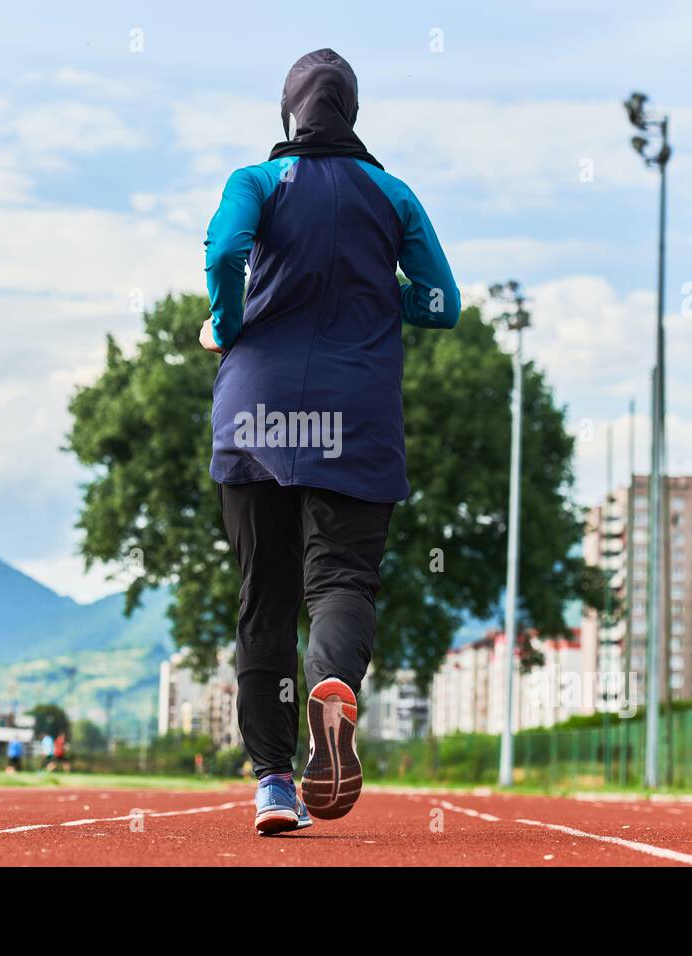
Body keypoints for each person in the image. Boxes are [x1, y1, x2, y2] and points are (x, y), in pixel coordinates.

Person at [200, 49, 459, 835]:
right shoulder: (393, 192)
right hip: (355, 415)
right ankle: (334, 687)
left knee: (264, 602)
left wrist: (229, 320)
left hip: (258, 416)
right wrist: (387, 290)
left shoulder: (255, 181)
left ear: (290, 114)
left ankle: (274, 783)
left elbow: (224, 255)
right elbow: (443, 303)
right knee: (341, 580)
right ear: (353, 112)